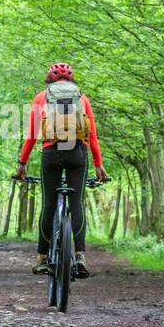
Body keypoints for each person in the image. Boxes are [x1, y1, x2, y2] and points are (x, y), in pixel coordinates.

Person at [13, 62, 107, 277]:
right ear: (71, 79)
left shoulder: (41, 97)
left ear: (50, 78)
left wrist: (22, 163)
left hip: (51, 152)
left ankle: (42, 259)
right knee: (77, 204)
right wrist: (98, 164)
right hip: (77, 152)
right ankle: (81, 255)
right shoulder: (82, 98)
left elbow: (32, 135)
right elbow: (92, 135)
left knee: (48, 205)